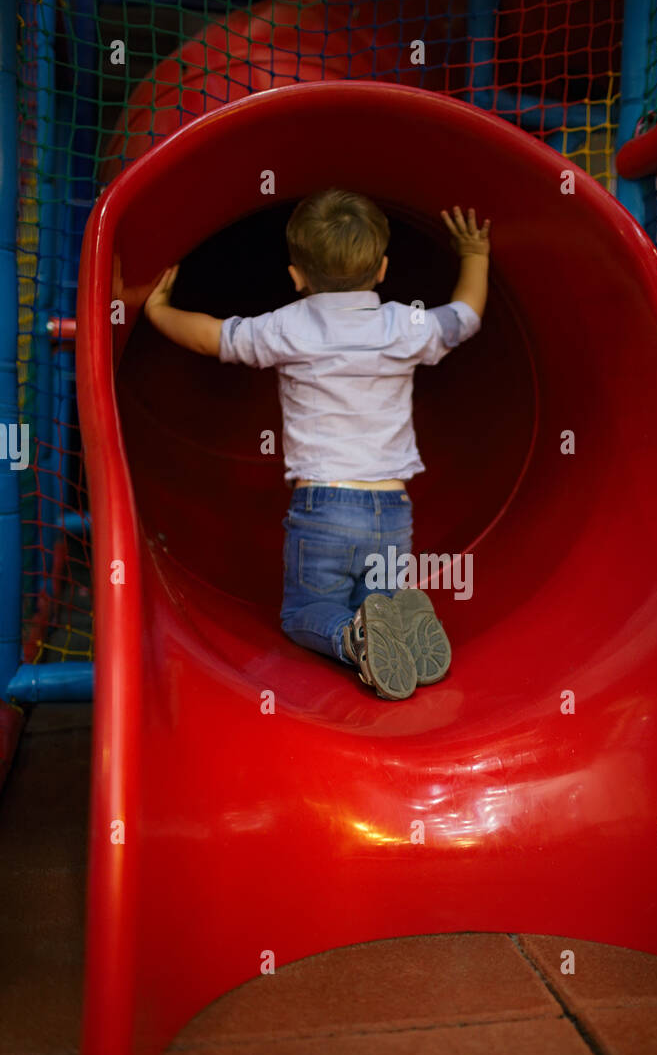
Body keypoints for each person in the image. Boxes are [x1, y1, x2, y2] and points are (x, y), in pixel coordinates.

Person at [144, 189, 490, 700]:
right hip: (393, 511)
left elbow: (211, 337)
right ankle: (400, 611)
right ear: (382, 270)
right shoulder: (405, 325)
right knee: (381, 595)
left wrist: (156, 310)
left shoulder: (288, 326)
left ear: (297, 277)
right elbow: (466, 316)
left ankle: (352, 639)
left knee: (304, 613)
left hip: (324, 508)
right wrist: (475, 255)